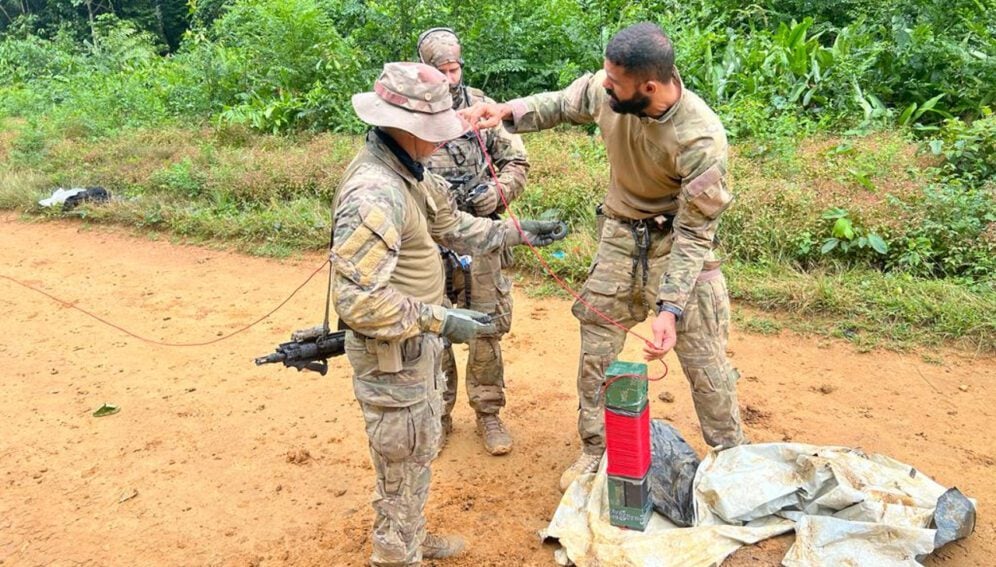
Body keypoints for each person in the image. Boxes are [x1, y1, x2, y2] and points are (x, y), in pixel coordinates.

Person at [462, 22, 748, 492]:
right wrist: (505, 110)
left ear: (649, 87)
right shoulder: (608, 87)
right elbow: (557, 103)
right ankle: (596, 449)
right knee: (597, 345)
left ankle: (732, 460)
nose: (604, 86)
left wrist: (670, 309)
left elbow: (696, 234)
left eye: (615, 83)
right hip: (619, 236)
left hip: (677, 243)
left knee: (705, 360)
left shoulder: (701, 139)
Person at [330, 61, 566, 566]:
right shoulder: (375, 192)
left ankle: (407, 535)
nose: (441, 142)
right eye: (434, 132)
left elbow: (450, 224)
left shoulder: (405, 168)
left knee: (414, 457)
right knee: (402, 458)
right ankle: (397, 555)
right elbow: (359, 301)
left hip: (412, 344)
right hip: (391, 354)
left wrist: (515, 232)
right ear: (407, 127)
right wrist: (442, 319)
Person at [416, 27, 530, 455]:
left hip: (482, 236)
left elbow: (516, 159)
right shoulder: (414, 112)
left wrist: (499, 192)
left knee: (486, 326)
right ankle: (439, 416)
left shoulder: (481, 107)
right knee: (434, 327)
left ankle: (488, 413)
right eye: (441, 70)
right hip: (432, 241)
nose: (450, 76)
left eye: (455, 67)